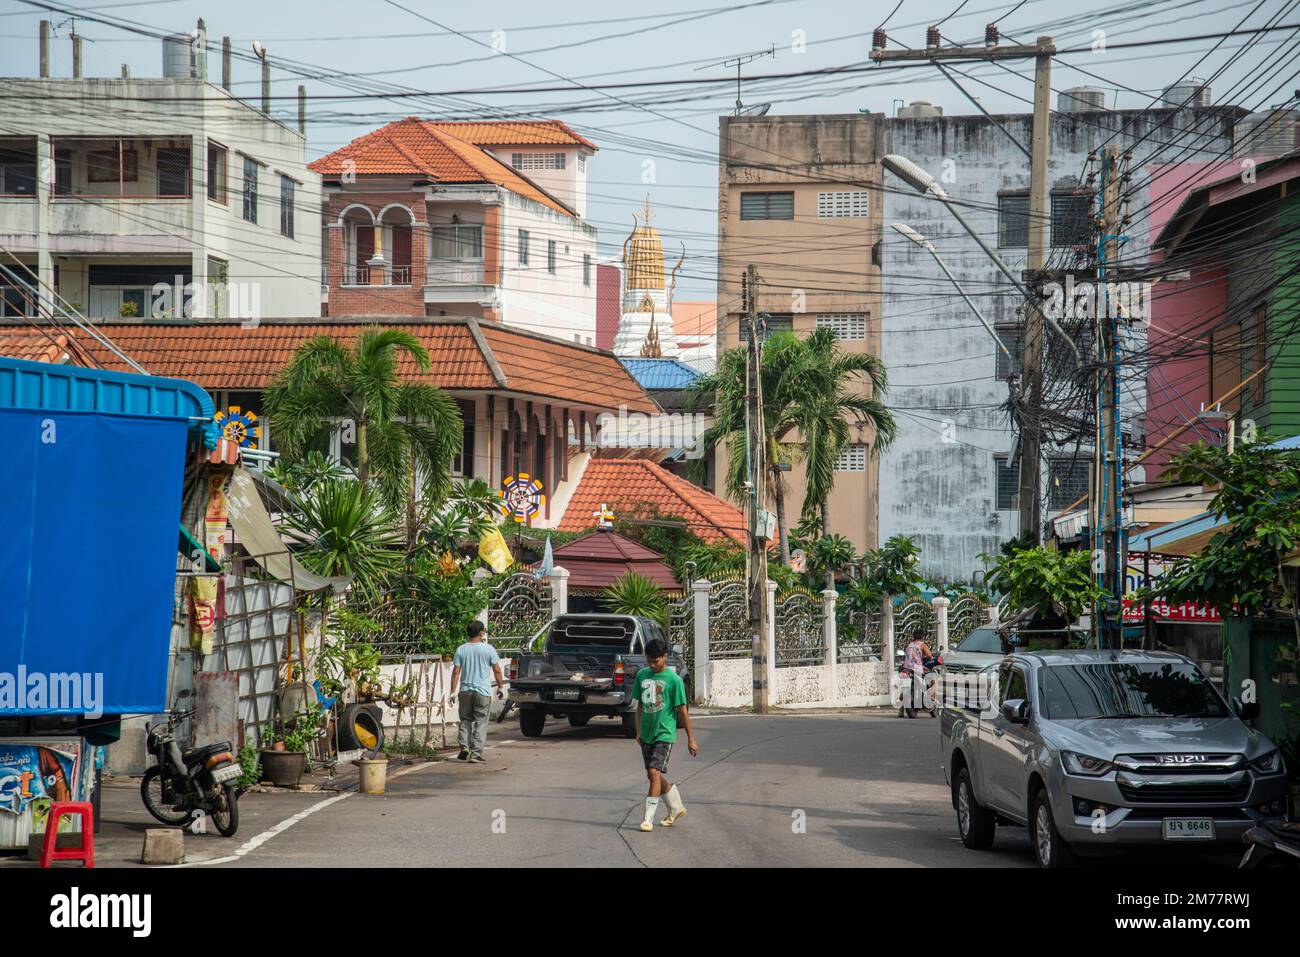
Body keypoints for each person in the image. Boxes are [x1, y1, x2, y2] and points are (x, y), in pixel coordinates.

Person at [629, 638, 697, 832]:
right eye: (649, 660)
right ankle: (675, 807)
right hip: (646, 734)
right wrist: (638, 730)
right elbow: (640, 705)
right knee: (654, 776)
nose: (652, 664)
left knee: (654, 772)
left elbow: (683, 711)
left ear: (665, 656)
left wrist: (691, 738)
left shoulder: (674, 680)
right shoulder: (642, 676)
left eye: (656, 660)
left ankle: (647, 819)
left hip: (664, 734)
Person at [449, 620, 505, 763]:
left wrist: (452, 692)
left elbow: (456, 672)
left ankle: (464, 747)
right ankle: (475, 755)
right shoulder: (488, 649)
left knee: (465, 720)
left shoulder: (461, 649)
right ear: (481, 633)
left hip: (465, 691)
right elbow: (497, 670)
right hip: (483, 692)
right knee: (481, 722)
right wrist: (500, 687)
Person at [900, 630, 933, 716]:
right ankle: (929, 697)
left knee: (905, 687)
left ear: (913, 636)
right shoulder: (922, 645)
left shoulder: (909, 644)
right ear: (922, 637)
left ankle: (901, 709)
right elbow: (929, 656)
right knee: (931, 679)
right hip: (917, 668)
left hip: (906, 668)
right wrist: (926, 656)